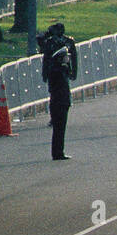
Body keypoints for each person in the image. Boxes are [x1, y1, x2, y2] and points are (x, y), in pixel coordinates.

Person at [43, 24, 77, 159]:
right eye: (66, 57)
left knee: (60, 130)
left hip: (61, 102)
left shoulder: (61, 70)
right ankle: (57, 152)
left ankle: (59, 151)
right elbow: (58, 89)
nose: (68, 58)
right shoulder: (58, 71)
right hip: (59, 103)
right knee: (59, 129)